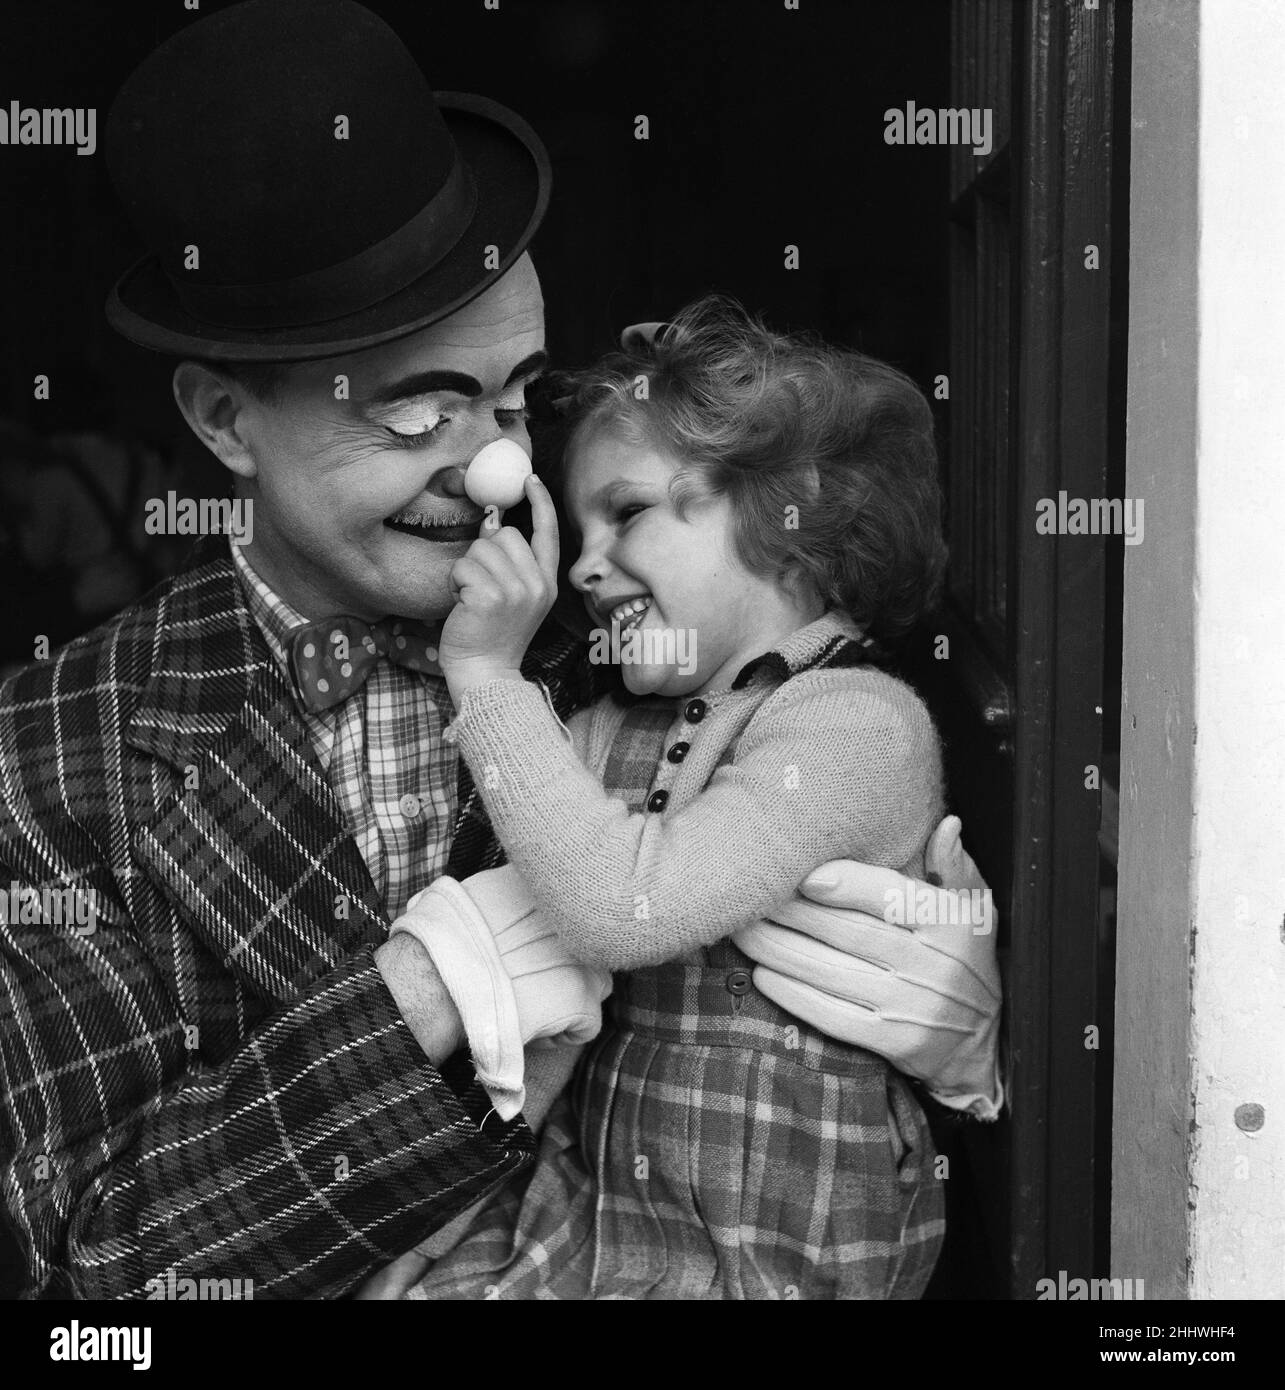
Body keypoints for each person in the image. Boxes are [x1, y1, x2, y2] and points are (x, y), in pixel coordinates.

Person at [0, 0, 1000, 1300]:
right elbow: (86, 1275)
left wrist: (971, 1058)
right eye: (419, 406)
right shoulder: (47, 767)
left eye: (518, 394)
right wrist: (421, 997)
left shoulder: (640, 617)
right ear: (226, 419)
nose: (500, 463)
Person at [393, 296, 950, 1299]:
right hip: (600, 1210)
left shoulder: (856, 723)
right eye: (577, 523)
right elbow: (549, 1003)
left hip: (776, 1229)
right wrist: (449, 1240)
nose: (578, 566)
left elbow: (618, 907)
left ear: (790, 510)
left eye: (628, 510)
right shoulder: (608, 728)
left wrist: (486, 678)